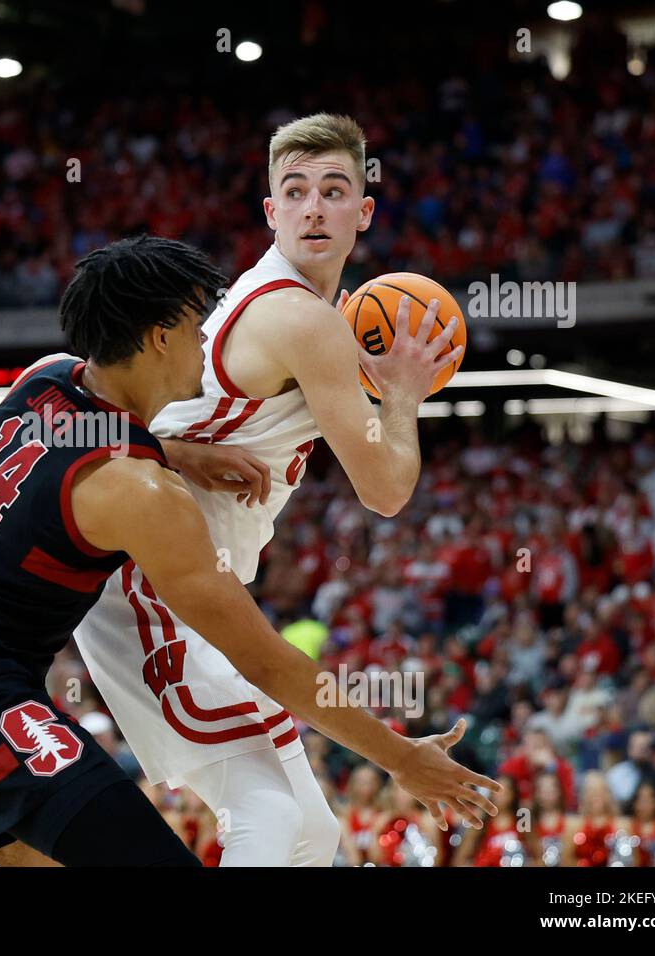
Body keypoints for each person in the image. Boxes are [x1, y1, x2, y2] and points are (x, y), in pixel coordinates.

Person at [0, 234, 498, 867]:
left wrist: (177, 450)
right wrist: (400, 757)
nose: (210, 339)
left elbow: (69, 447)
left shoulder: (45, 379)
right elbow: (265, 662)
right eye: (199, 323)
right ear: (160, 336)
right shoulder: (143, 495)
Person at [73, 114, 470, 865]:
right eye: (295, 191)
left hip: (196, 586)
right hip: (151, 585)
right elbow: (385, 492)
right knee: (263, 808)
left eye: (333, 190)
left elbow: (134, 416)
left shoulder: (296, 306)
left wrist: (183, 450)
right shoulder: (299, 317)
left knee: (316, 834)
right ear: (271, 212)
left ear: (365, 210)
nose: (314, 207)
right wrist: (405, 395)